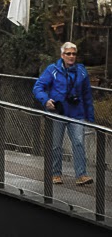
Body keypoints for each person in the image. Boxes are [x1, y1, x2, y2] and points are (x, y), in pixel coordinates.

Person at [33, 42, 96, 186]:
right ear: (62, 55)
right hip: (57, 112)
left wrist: (90, 117)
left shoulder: (81, 72)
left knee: (79, 143)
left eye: (74, 54)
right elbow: (38, 87)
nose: (71, 56)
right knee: (56, 145)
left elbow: (87, 95)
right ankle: (55, 174)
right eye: (68, 53)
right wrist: (45, 100)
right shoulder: (52, 70)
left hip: (76, 113)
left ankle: (81, 175)